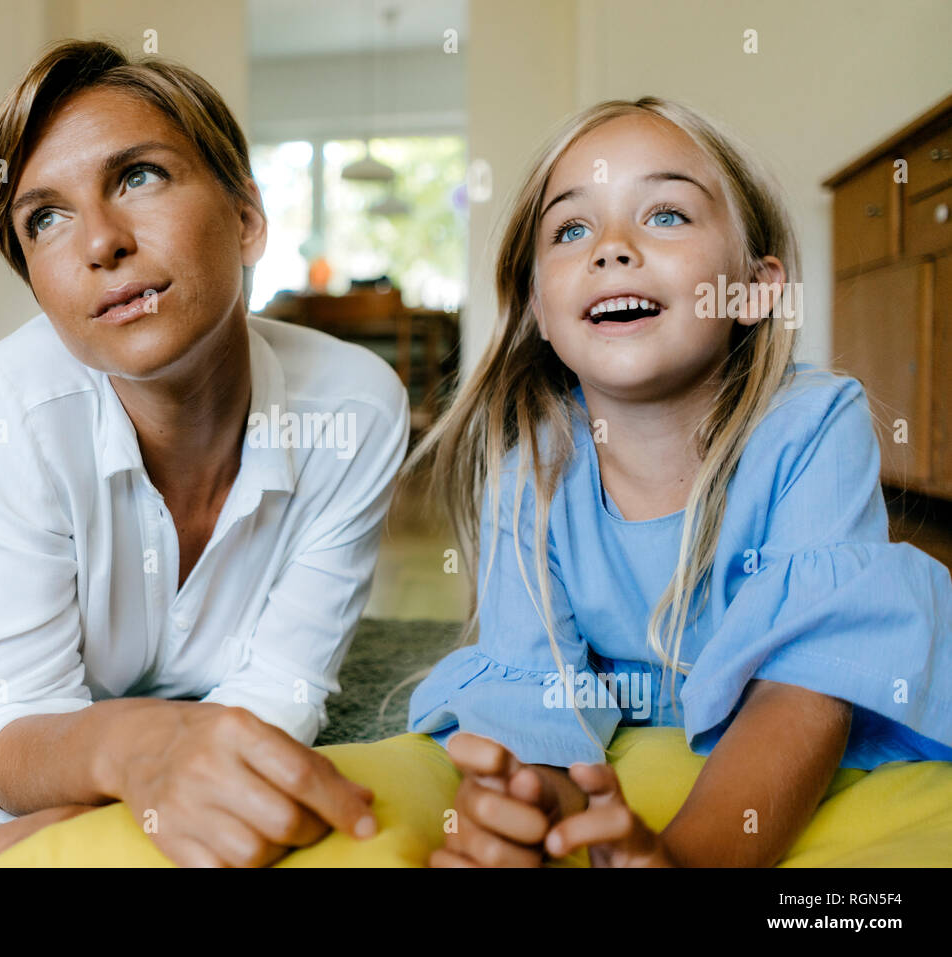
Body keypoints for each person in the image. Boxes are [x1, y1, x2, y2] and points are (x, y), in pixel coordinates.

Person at [0, 39, 410, 867]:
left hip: (55, 435)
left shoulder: (355, 409)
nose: (99, 242)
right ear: (38, 286)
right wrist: (135, 750)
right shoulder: (10, 400)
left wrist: (82, 824)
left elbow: (282, 693)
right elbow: (7, 728)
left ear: (247, 218)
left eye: (138, 175)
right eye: (46, 217)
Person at [402, 96, 952, 867]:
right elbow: (533, 693)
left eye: (664, 215)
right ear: (541, 310)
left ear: (756, 288)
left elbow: (803, 687)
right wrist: (537, 815)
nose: (612, 248)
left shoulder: (814, 424)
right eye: (571, 228)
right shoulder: (530, 461)